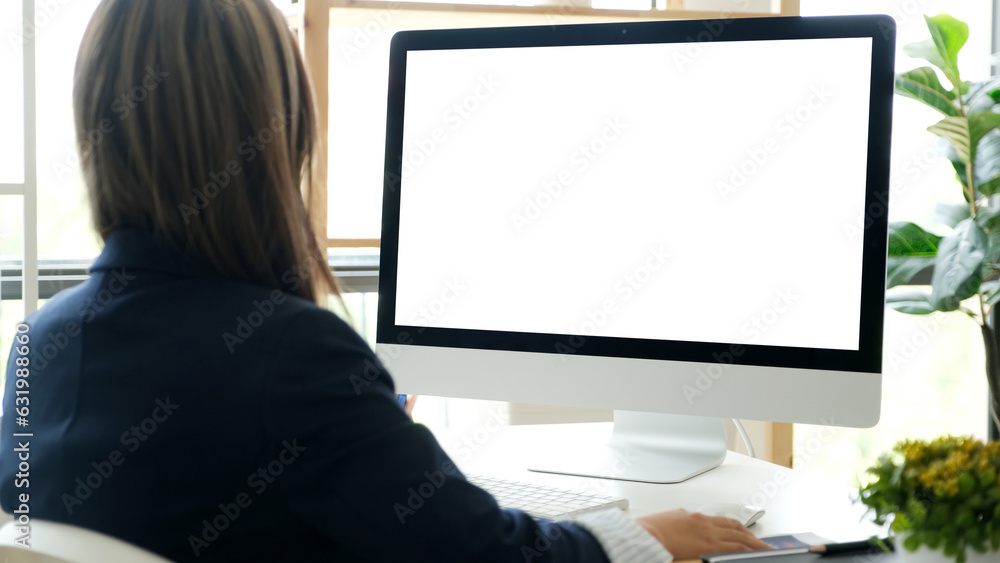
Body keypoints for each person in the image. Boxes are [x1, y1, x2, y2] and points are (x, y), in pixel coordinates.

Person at [0, 1, 772, 561]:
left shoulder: (38, 342)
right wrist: (639, 538)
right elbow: (483, 556)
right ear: (275, 133)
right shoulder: (287, 354)